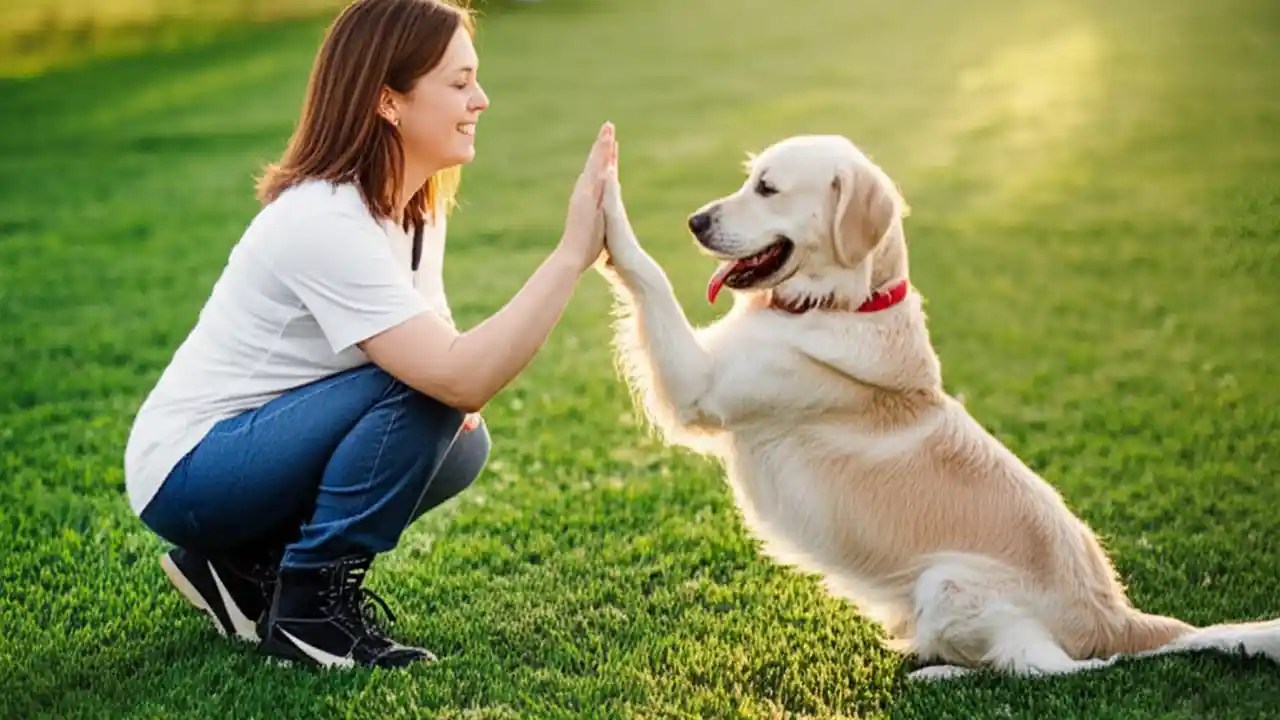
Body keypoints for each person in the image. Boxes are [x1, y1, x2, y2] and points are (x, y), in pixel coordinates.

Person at [123, 0, 617, 670]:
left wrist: (456, 390)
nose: (482, 99)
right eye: (459, 82)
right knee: (432, 385)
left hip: (247, 459)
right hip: (191, 471)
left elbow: (452, 369)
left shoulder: (415, 206)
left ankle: (241, 570)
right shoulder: (323, 218)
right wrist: (569, 257)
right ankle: (308, 612)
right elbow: (453, 372)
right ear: (389, 101)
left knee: (462, 442)